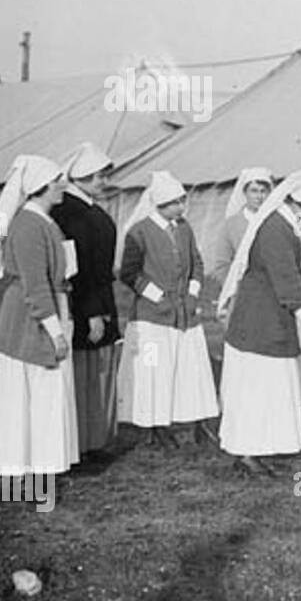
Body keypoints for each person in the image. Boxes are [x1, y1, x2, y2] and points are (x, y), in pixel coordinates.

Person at [217, 169, 301, 474]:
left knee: (270, 388)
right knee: (255, 388)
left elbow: (296, 277)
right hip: (259, 319)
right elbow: (287, 279)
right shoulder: (275, 229)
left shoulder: (290, 224)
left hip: (274, 315)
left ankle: (259, 448)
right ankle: (246, 452)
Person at [0, 155, 80, 477]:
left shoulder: (45, 222)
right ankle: (21, 466)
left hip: (47, 307)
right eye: (56, 182)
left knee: (45, 394)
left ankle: (42, 466)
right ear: (40, 187)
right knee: (28, 393)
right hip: (30, 318)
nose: (62, 185)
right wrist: (56, 331)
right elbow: (35, 285)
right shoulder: (28, 225)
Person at [116, 171, 220, 445]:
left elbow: (196, 262)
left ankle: (195, 420)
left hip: (184, 312)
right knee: (153, 368)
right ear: (160, 205)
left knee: (190, 367)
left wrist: (193, 292)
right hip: (152, 318)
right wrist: (157, 297)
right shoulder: (139, 232)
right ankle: (153, 424)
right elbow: (129, 273)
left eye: (182, 201)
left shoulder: (183, 228)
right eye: (175, 202)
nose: (181, 207)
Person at [50, 142, 121, 460]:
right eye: (98, 177)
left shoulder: (88, 208)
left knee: (97, 374)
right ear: (81, 178)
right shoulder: (70, 213)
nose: (103, 183)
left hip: (100, 299)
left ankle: (93, 441)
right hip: (84, 303)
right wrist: (92, 312)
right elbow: (79, 270)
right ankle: (79, 443)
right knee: (83, 375)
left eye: (104, 176)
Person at [213, 167, 274, 284]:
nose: (259, 197)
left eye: (263, 191)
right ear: (245, 193)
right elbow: (222, 264)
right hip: (241, 287)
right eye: (254, 191)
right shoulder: (231, 225)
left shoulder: (275, 222)